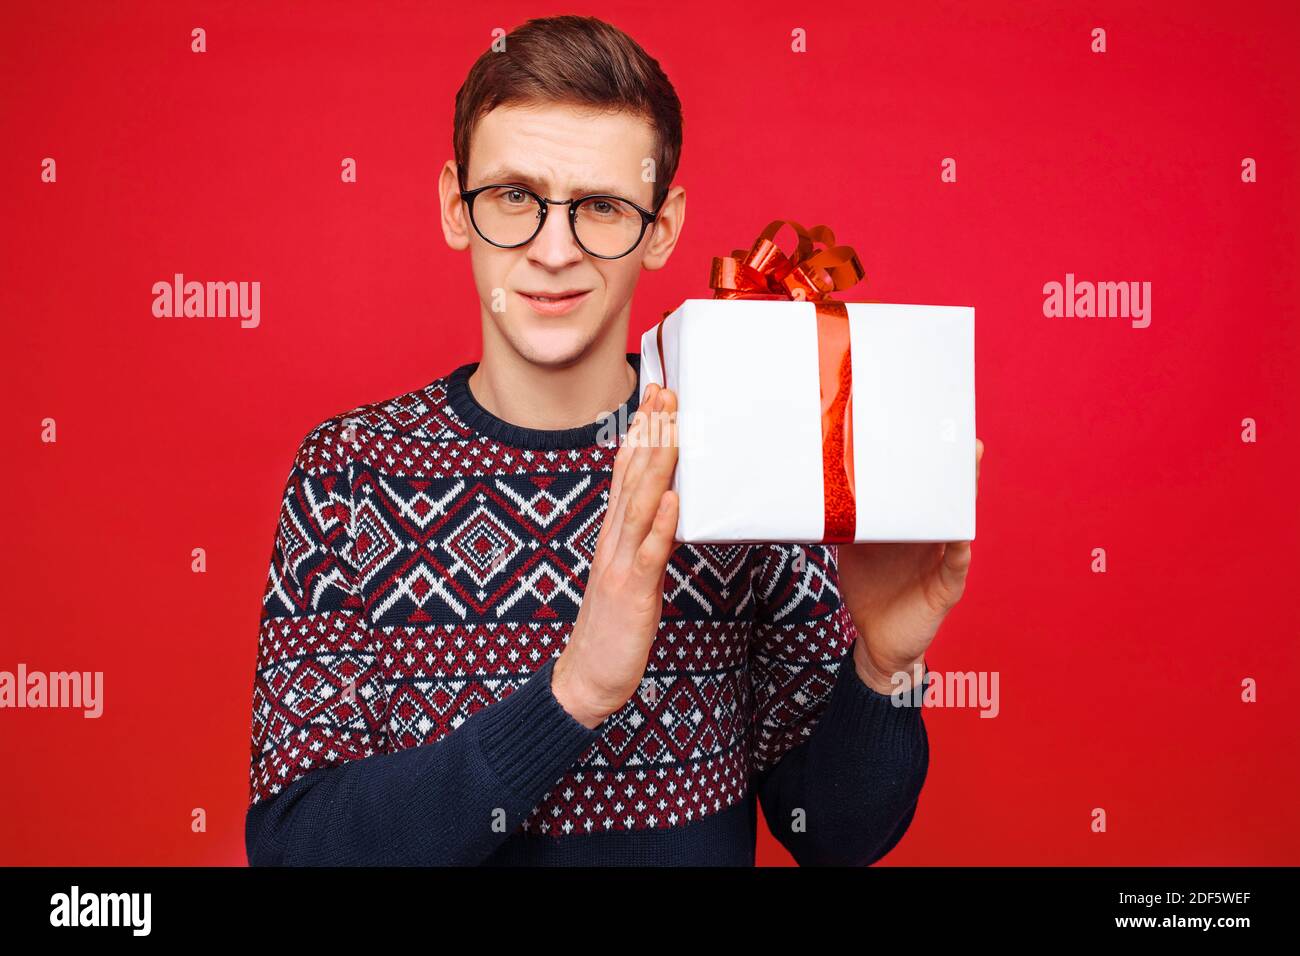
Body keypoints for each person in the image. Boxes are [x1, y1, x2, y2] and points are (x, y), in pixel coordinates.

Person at [244, 13, 981, 866]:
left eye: (599, 206)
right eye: (515, 196)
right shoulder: (350, 473)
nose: (554, 250)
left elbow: (839, 833)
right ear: (456, 207)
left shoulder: (741, 444)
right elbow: (298, 849)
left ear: (662, 226)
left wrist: (884, 667)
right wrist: (573, 693)